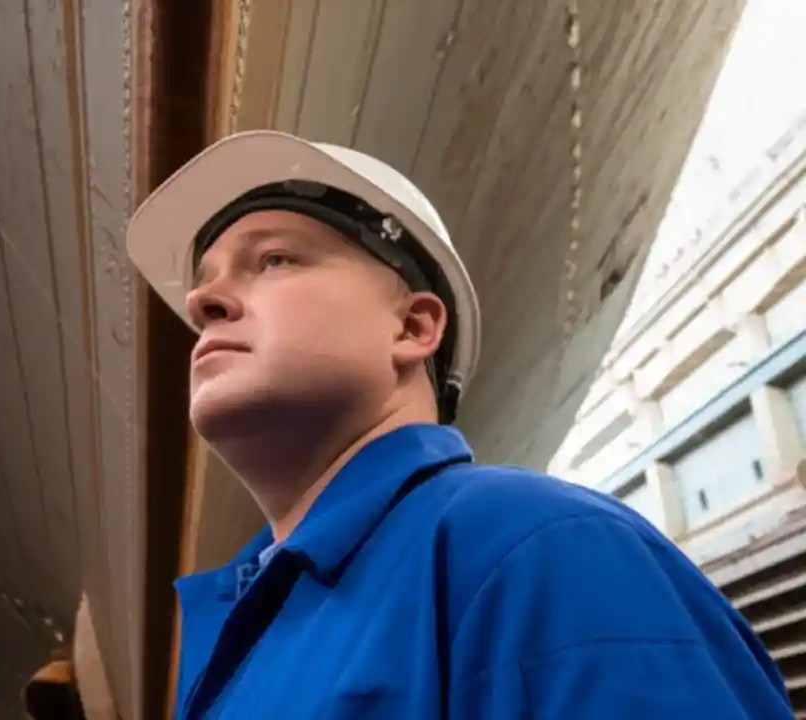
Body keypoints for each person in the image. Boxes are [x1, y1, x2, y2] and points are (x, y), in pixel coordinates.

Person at [125, 130, 793, 719]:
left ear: (414, 327)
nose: (201, 300)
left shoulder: (538, 547)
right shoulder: (246, 625)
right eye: (205, 283)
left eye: (273, 259)